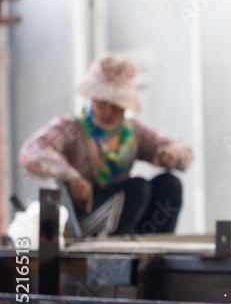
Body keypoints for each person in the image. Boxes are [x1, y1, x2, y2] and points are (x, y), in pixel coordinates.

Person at [19, 53, 193, 236]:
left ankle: (153, 250)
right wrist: (71, 177)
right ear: (92, 98)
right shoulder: (72, 128)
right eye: (103, 103)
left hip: (125, 217)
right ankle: (111, 253)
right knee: (137, 188)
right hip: (82, 221)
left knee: (169, 184)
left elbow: (183, 149)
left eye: (117, 104)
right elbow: (31, 151)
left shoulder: (133, 131)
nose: (109, 110)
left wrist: (173, 154)